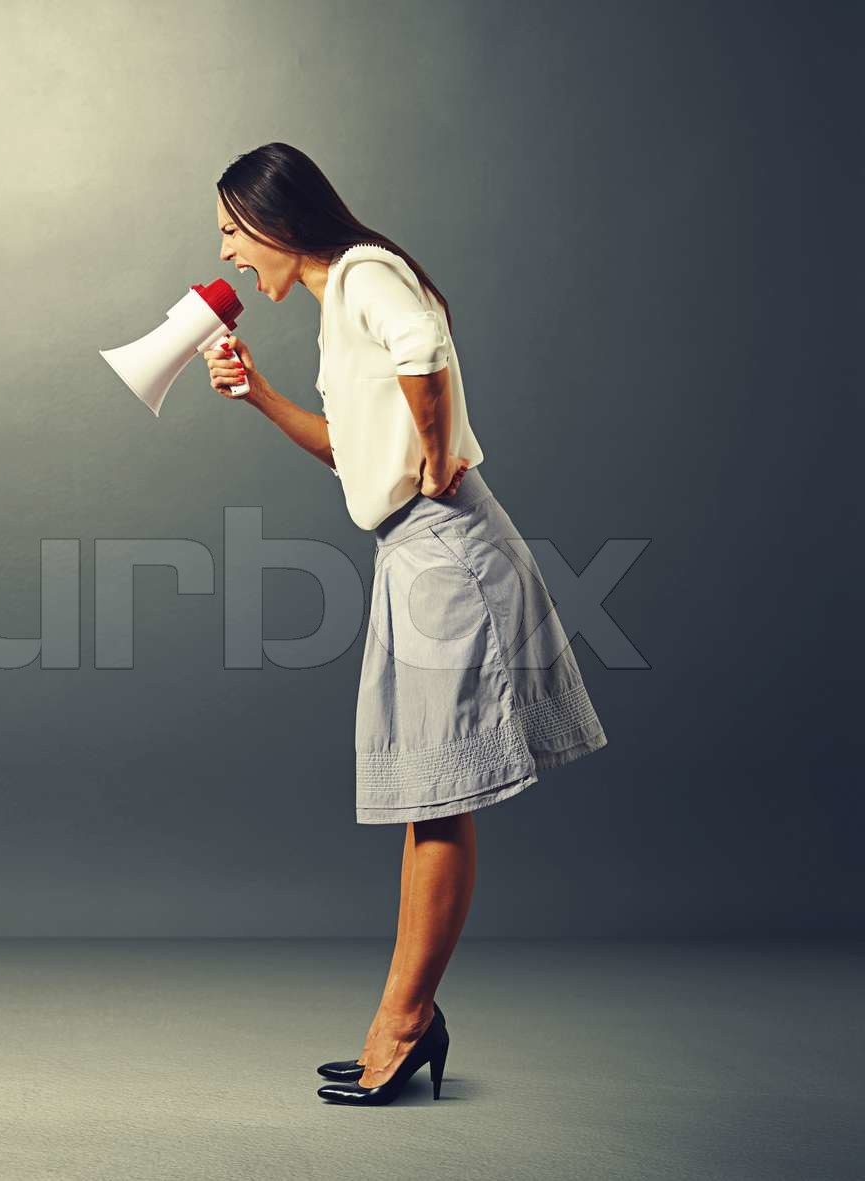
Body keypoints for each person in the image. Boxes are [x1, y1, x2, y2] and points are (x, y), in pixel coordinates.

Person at [206, 143, 608, 1106]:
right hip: (411, 552)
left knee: (437, 797)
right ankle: (404, 1019)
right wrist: (260, 396)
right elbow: (351, 454)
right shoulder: (337, 302)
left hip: (444, 550)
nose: (226, 253)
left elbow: (425, 346)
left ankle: (403, 1023)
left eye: (230, 231)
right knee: (429, 795)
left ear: (274, 219)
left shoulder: (362, 274)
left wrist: (436, 456)